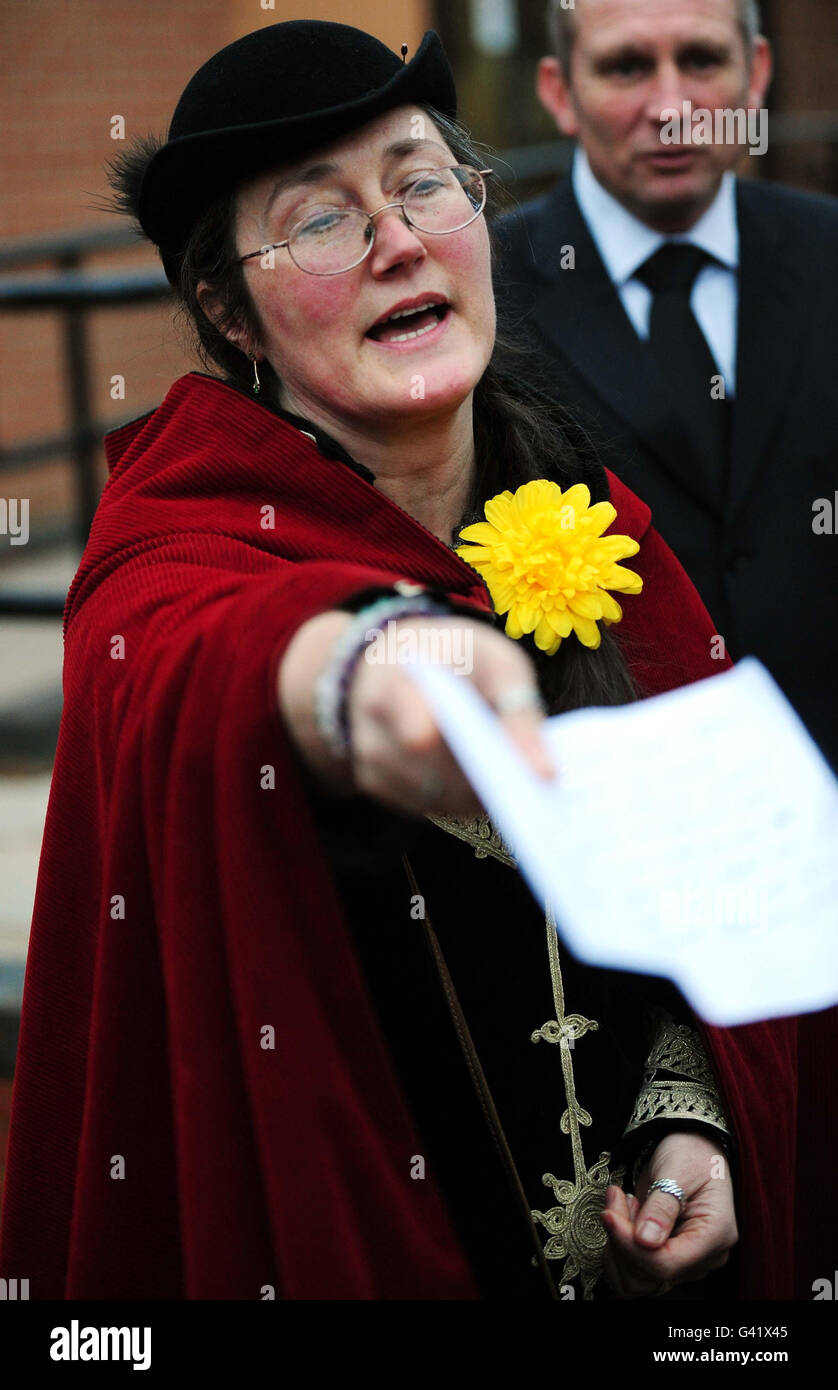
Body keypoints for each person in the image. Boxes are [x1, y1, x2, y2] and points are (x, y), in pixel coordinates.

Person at [0, 20, 797, 1302]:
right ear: (226, 307)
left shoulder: (588, 511)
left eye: (422, 180)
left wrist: (692, 1109)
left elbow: (718, 894)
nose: (399, 240)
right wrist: (361, 662)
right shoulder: (175, 546)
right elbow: (189, 649)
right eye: (321, 219)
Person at [493, 0, 838, 1293]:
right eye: (625, 64)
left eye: (701, 59)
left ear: (753, 72)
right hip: (629, 934)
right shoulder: (485, 303)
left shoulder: (828, 252)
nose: (671, 98)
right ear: (558, 90)